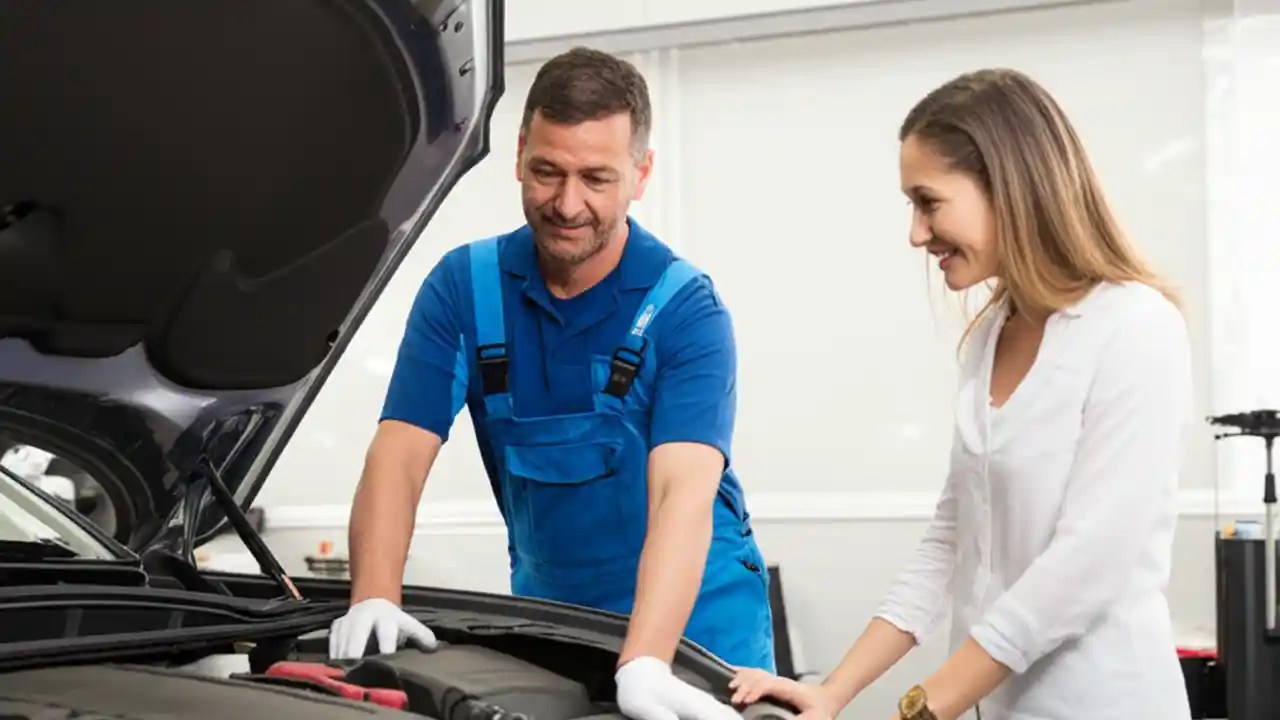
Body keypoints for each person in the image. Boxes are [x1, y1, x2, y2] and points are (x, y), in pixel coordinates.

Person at [728, 68, 1194, 720]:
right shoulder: (989, 337)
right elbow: (950, 540)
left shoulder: (1136, 328)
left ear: (1008, 187)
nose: (917, 234)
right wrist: (833, 692)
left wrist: (921, 709)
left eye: (928, 201)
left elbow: (1089, 563)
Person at [328, 46, 772, 720]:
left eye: (596, 178)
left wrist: (648, 658)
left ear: (641, 174)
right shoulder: (465, 289)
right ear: (517, 157)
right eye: (547, 172)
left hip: (699, 638)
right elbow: (400, 452)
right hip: (553, 626)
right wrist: (375, 594)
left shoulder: (685, 309)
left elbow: (683, 491)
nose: (568, 204)